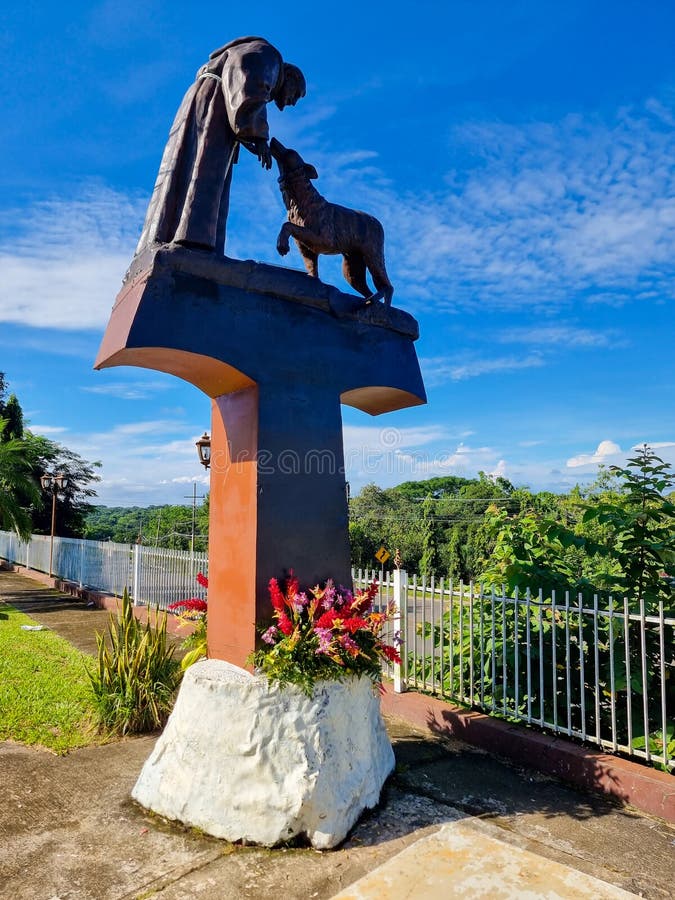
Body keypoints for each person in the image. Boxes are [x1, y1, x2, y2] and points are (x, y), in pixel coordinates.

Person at [134, 36, 306, 256]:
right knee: (205, 171)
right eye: (296, 95)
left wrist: (249, 134)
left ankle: (169, 234)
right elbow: (251, 84)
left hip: (206, 102)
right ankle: (193, 241)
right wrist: (260, 135)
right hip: (213, 106)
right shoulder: (269, 57)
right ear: (289, 77)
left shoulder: (258, 55)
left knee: (185, 168)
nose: (289, 103)